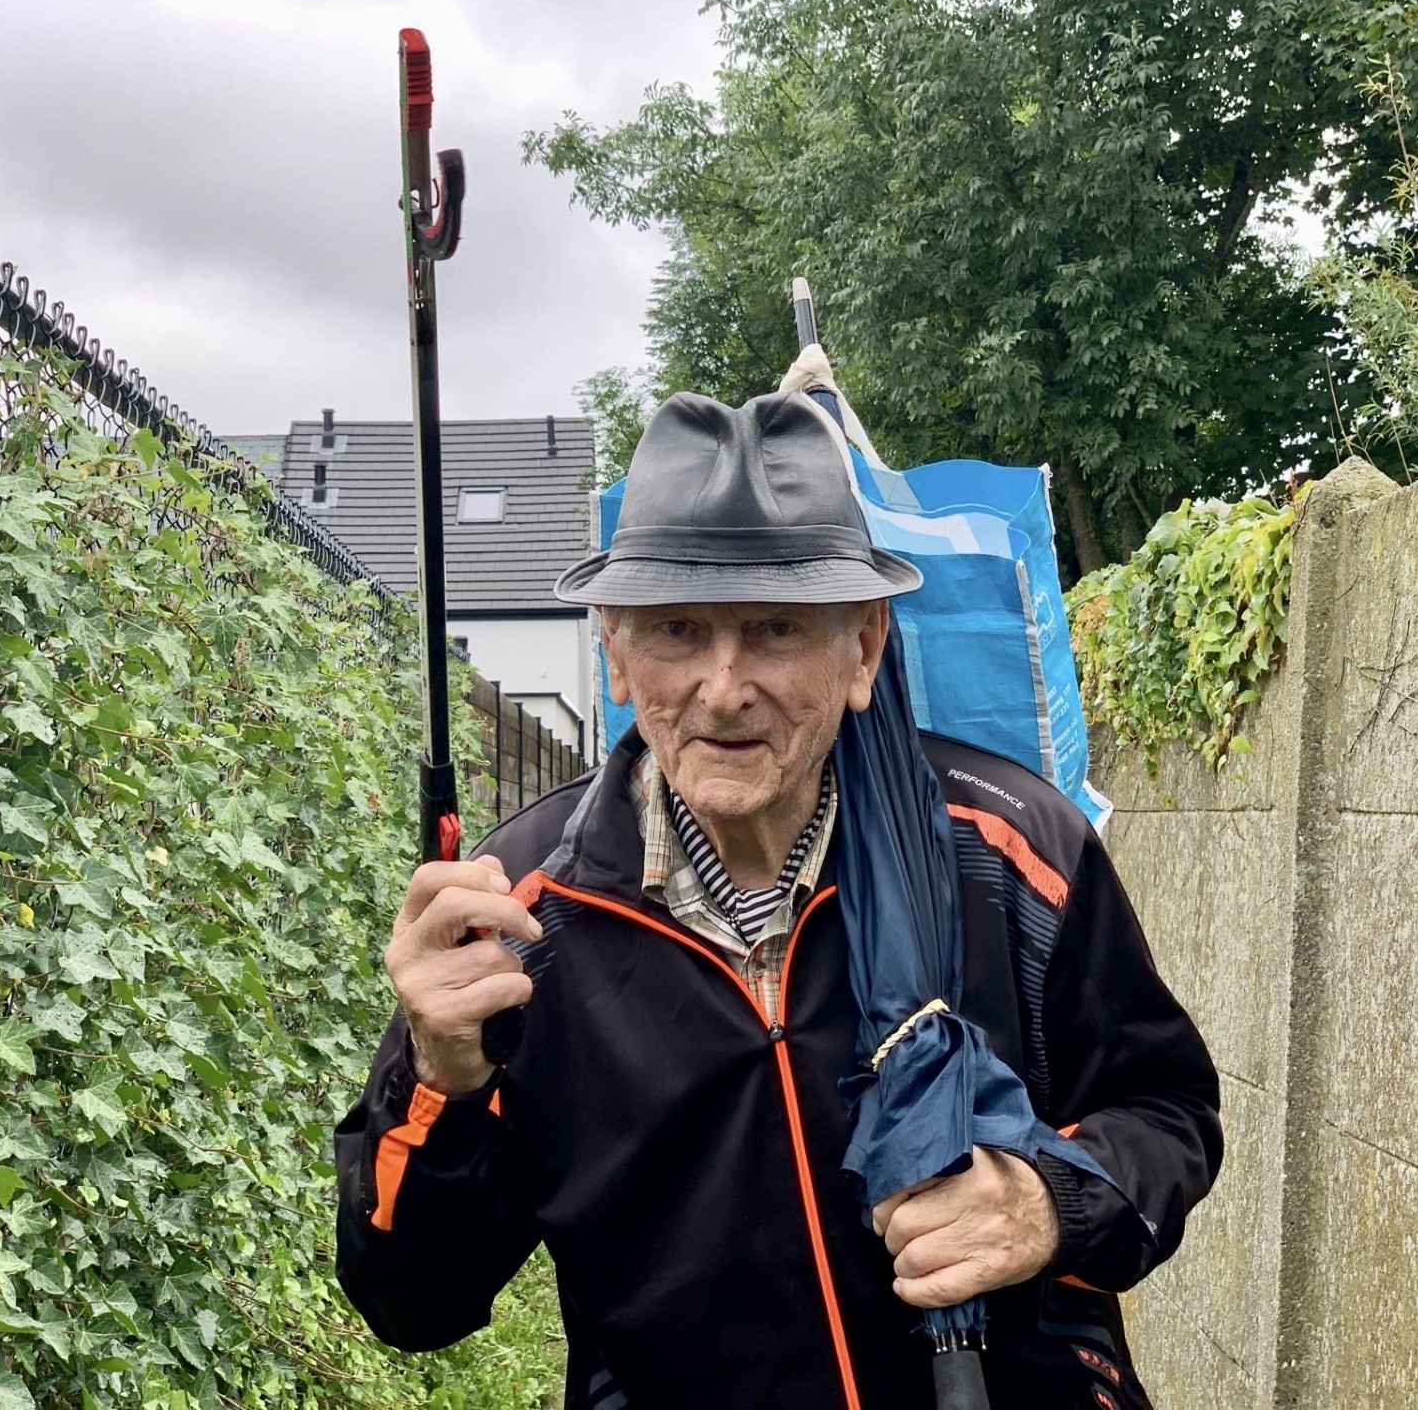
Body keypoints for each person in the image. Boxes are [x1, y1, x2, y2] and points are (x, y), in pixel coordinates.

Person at [334, 389, 1221, 1410]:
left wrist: (1043, 1205)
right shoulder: (522, 920)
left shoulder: (1011, 853)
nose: (723, 688)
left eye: (776, 629)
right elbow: (412, 1303)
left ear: (864, 649)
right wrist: (442, 1081)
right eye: (676, 630)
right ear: (615, 652)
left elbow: (1168, 1117)